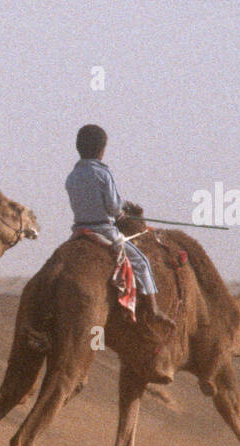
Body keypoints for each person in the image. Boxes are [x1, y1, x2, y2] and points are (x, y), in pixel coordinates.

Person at [65, 124, 176, 333]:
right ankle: (153, 310)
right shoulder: (103, 173)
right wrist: (121, 216)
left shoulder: (71, 176)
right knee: (142, 263)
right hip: (104, 231)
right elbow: (114, 207)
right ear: (101, 150)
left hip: (78, 230)